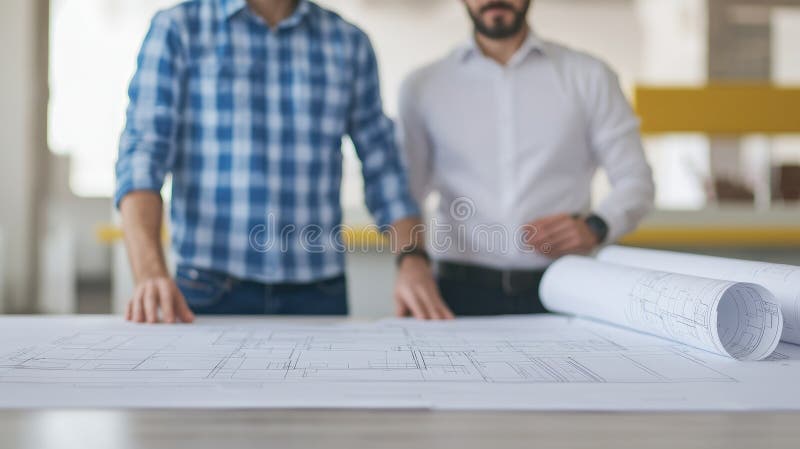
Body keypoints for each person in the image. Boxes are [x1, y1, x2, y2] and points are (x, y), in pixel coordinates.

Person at [116, 0, 452, 323]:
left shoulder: (348, 43)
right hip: (208, 290)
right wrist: (149, 273)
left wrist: (413, 260)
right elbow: (142, 157)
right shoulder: (177, 30)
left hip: (319, 293)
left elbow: (384, 169)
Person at [396, 0, 655, 316]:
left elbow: (636, 180)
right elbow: (402, 195)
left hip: (564, 290)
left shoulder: (590, 77)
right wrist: (409, 260)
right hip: (454, 294)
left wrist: (597, 226)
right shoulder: (422, 87)